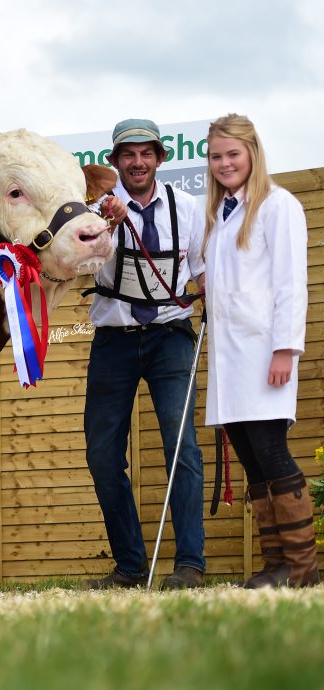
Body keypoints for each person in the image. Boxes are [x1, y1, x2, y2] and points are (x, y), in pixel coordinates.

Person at [81, 118, 207, 590]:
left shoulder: (187, 207)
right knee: (102, 455)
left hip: (170, 337)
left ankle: (190, 565)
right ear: (114, 162)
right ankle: (131, 566)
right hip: (113, 341)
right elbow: (81, 265)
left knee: (183, 449)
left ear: (159, 158)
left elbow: (199, 270)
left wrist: (209, 295)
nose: (137, 162)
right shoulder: (93, 210)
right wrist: (104, 229)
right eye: (127, 155)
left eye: (146, 153)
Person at [202, 114, 318, 588]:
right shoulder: (221, 213)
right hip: (230, 359)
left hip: (264, 353)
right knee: (251, 458)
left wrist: (285, 350)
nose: (225, 163)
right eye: (216, 156)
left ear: (252, 153)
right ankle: (275, 565)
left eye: (233, 153)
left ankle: (302, 568)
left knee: (271, 451)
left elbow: (292, 282)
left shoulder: (278, 204)